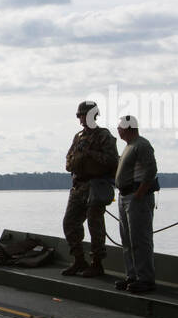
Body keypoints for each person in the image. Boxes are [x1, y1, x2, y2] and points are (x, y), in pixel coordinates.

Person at [61, 100, 119, 277]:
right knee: (69, 223)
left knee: (95, 225)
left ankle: (97, 263)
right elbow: (69, 160)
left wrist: (90, 153)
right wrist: (74, 162)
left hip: (96, 186)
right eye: (80, 116)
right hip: (79, 186)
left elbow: (112, 161)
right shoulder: (78, 137)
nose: (82, 120)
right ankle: (79, 260)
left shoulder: (104, 136)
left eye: (85, 116)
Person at [114, 114, 159, 294]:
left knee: (140, 239)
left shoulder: (142, 145)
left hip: (136, 197)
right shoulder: (128, 147)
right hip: (125, 196)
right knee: (127, 239)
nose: (118, 130)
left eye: (120, 127)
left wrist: (140, 193)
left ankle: (145, 279)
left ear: (129, 128)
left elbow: (151, 169)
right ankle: (132, 276)